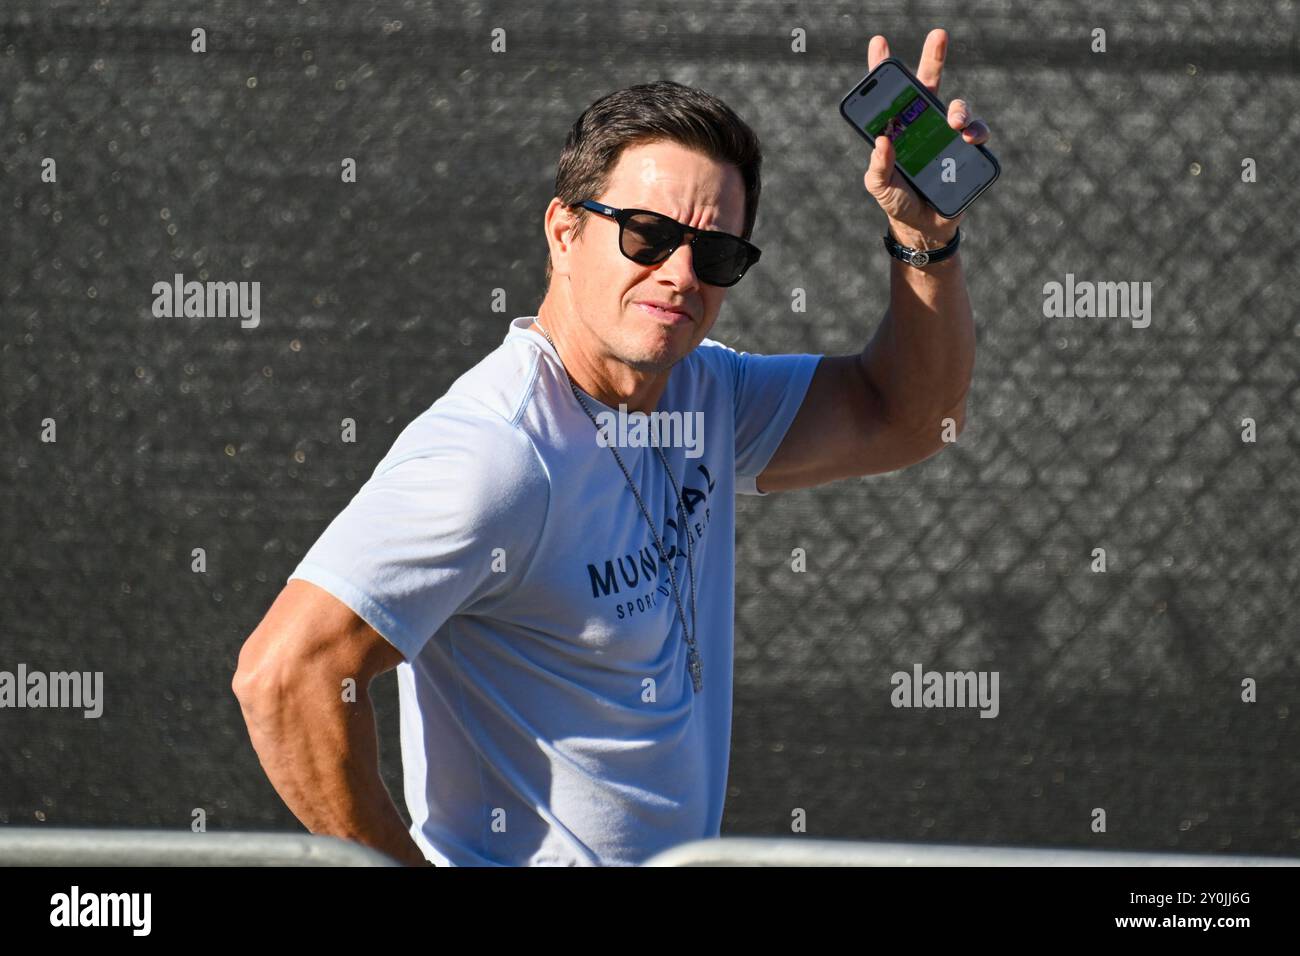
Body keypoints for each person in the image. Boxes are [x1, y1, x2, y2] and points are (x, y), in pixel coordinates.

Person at [232, 28, 991, 866]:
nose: (679, 273)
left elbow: (912, 418)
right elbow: (284, 678)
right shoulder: (496, 455)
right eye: (644, 233)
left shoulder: (706, 393)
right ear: (563, 231)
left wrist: (926, 241)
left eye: (716, 252)